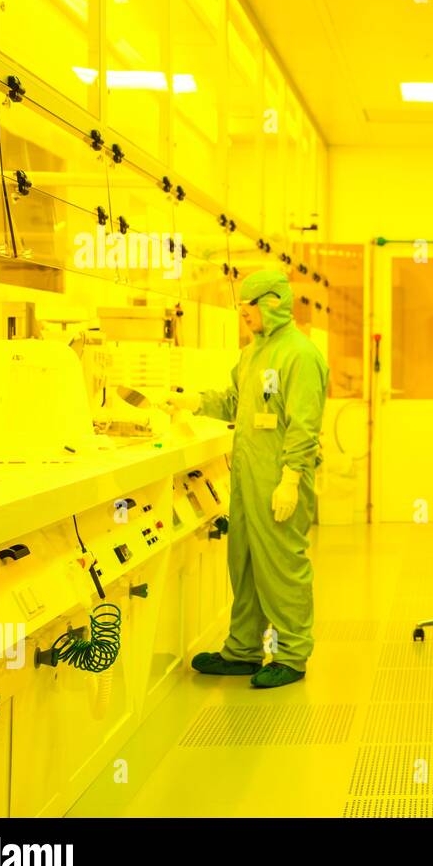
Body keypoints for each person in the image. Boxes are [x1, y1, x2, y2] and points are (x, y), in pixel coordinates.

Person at [159, 268, 329, 688]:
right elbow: (237, 399)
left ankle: (291, 654)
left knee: (283, 566)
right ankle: (243, 649)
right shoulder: (254, 352)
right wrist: (194, 400)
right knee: (246, 564)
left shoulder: (300, 355)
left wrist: (291, 478)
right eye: (240, 306)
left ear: (272, 301)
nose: (243, 313)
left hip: (279, 476)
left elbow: (304, 425)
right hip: (249, 473)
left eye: (248, 305)